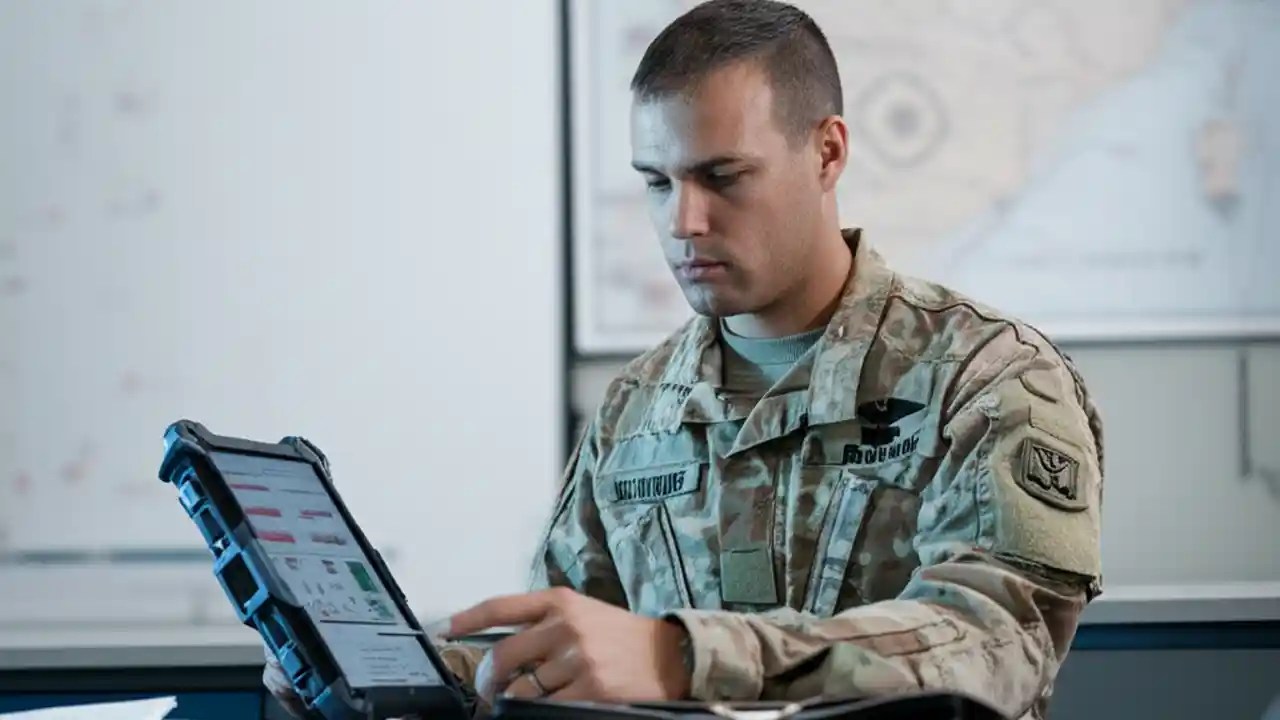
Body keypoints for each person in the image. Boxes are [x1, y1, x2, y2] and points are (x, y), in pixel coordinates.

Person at [266, 1, 1105, 718]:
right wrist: (388, 677)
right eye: (658, 183)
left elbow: (994, 645)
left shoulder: (988, 378)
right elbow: (556, 662)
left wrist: (679, 658)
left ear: (828, 152)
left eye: (723, 176)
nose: (684, 222)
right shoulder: (636, 410)